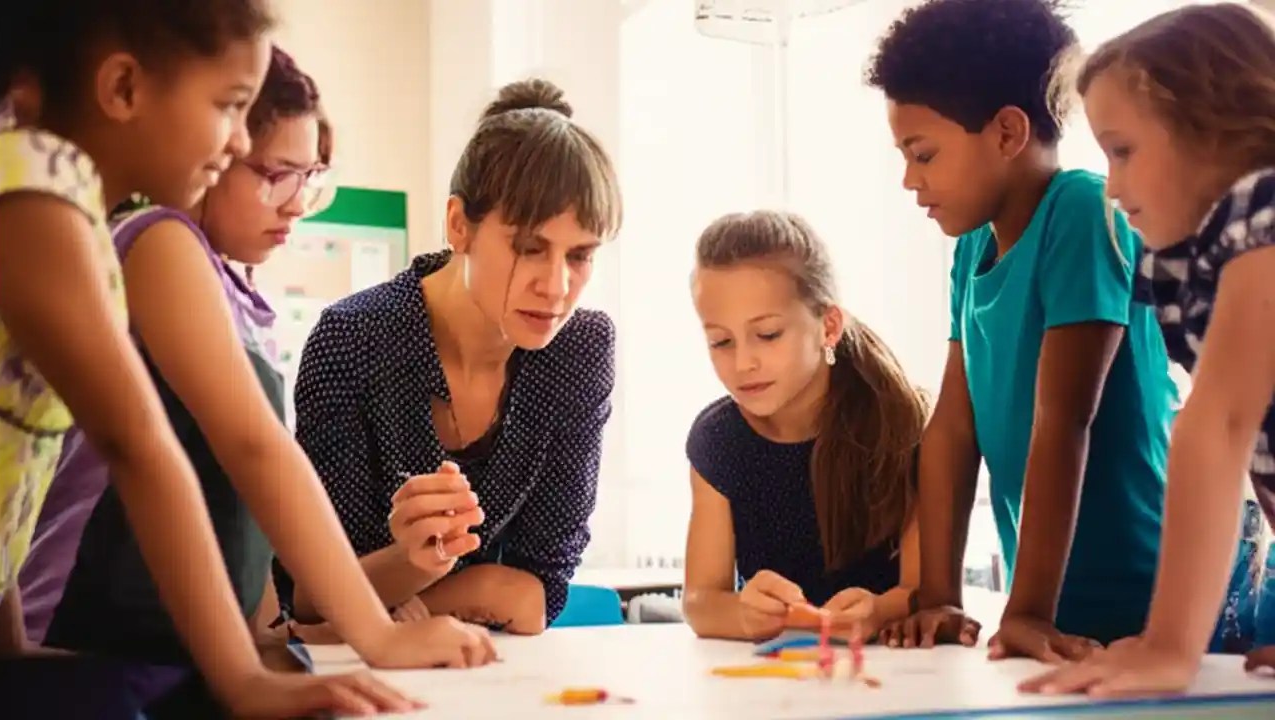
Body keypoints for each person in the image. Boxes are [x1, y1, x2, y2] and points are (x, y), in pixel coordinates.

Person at [18, 45, 493, 715]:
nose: (298, 203)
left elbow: (243, 510)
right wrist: (378, 635)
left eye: (311, 177)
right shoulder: (159, 241)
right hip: (96, 643)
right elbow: (255, 450)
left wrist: (273, 637)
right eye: (275, 173)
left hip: (173, 649)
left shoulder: (229, 286)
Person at [865, 0, 1181, 659]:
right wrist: (939, 598)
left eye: (922, 154)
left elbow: (1065, 418)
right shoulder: (970, 248)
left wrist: (1029, 611)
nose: (906, 179)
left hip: (1144, 603)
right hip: (1050, 610)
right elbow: (953, 428)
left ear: (1008, 133)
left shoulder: (1080, 212)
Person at [279, 77, 622, 635]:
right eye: (530, 248)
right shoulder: (354, 340)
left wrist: (397, 602)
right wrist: (418, 564)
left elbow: (539, 593)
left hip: (493, 671)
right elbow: (314, 597)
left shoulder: (580, 351)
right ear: (459, 225)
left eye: (580, 256)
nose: (557, 286)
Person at [1022, 2, 1275, 697]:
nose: (1111, 185)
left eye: (1123, 150)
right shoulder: (1187, 267)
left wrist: (1170, 646)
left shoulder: (1265, 211)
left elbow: (1220, 426)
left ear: (1214, 127)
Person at [681, 210, 927, 642]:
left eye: (769, 334)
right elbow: (700, 602)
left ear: (828, 326)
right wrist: (743, 614)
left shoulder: (904, 424)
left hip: (893, 677)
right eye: (720, 341)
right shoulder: (717, 439)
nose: (743, 363)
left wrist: (879, 611)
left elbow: (930, 590)